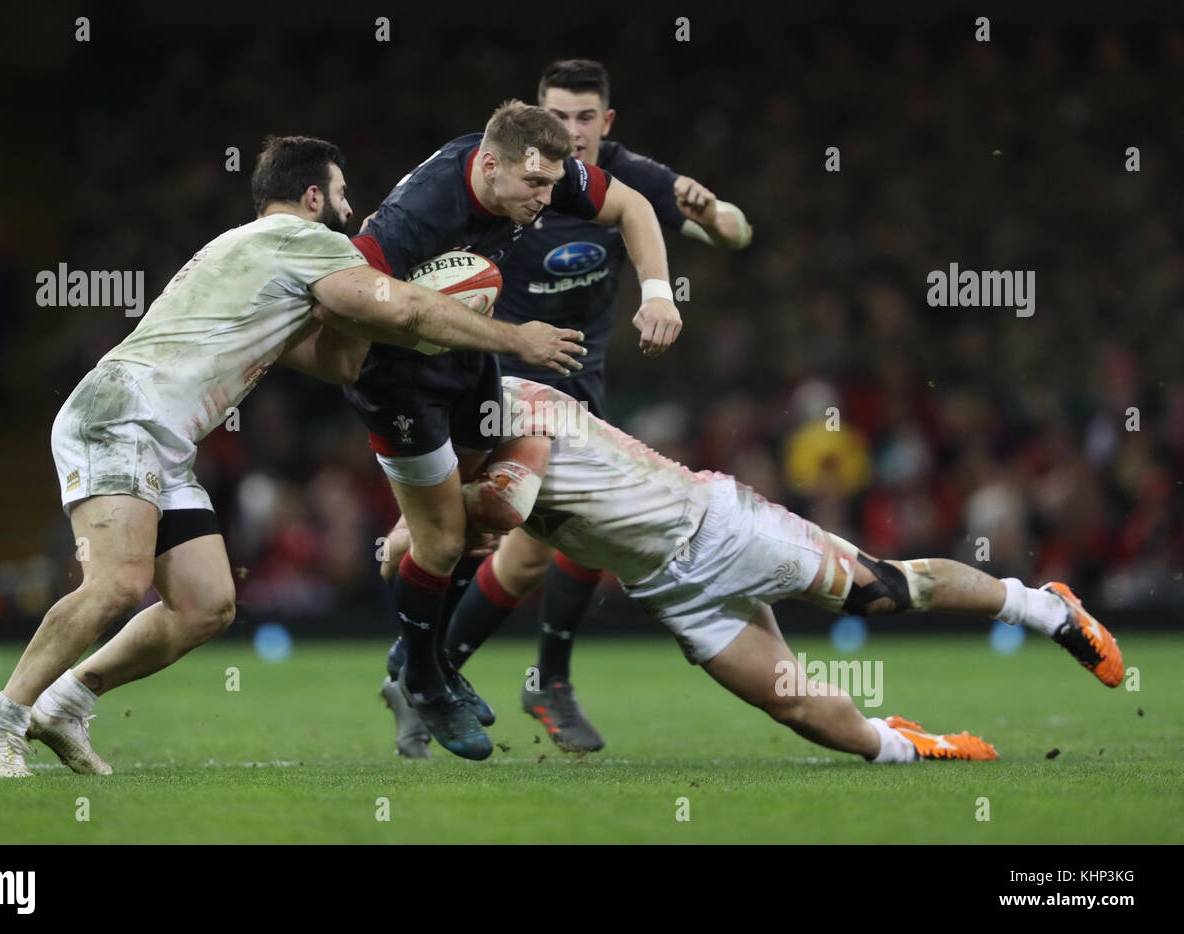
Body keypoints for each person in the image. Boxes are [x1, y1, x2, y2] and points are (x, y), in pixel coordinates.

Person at [0, 136, 585, 778]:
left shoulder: (245, 249)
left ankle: (65, 703)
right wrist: (512, 336)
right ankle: (0, 721)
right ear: (313, 197)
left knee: (206, 603)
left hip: (159, 435)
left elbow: (338, 362)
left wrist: (411, 333)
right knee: (118, 581)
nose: (351, 210)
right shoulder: (308, 242)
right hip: (122, 415)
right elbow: (400, 304)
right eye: (342, 195)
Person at [379, 376, 1125, 763]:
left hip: (719, 527)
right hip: (668, 588)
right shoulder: (460, 433)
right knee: (798, 710)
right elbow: (457, 513)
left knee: (883, 592)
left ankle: (1046, 608)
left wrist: (412, 530)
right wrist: (419, 525)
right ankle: (909, 746)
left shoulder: (519, 408)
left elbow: (500, 512)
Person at [384, 59, 753, 757]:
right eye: (559, 117)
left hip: (580, 378)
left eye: (585, 119)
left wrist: (709, 219)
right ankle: (501, 676)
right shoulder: (502, 180)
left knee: (524, 546)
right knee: (531, 539)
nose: (572, 132)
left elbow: (735, 234)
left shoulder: (617, 175)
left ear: (605, 122)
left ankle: (425, 668)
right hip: (505, 376)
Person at [341, 99, 683, 760]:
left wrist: (661, 293)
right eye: (535, 186)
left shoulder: (540, 169)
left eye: (554, 185)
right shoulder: (417, 216)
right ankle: (421, 678)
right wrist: (512, 338)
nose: (547, 198)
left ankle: (429, 650)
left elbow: (634, 206)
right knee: (444, 540)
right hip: (395, 381)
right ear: (491, 166)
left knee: (489, 522)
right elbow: (354, 301)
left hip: (470, 360)